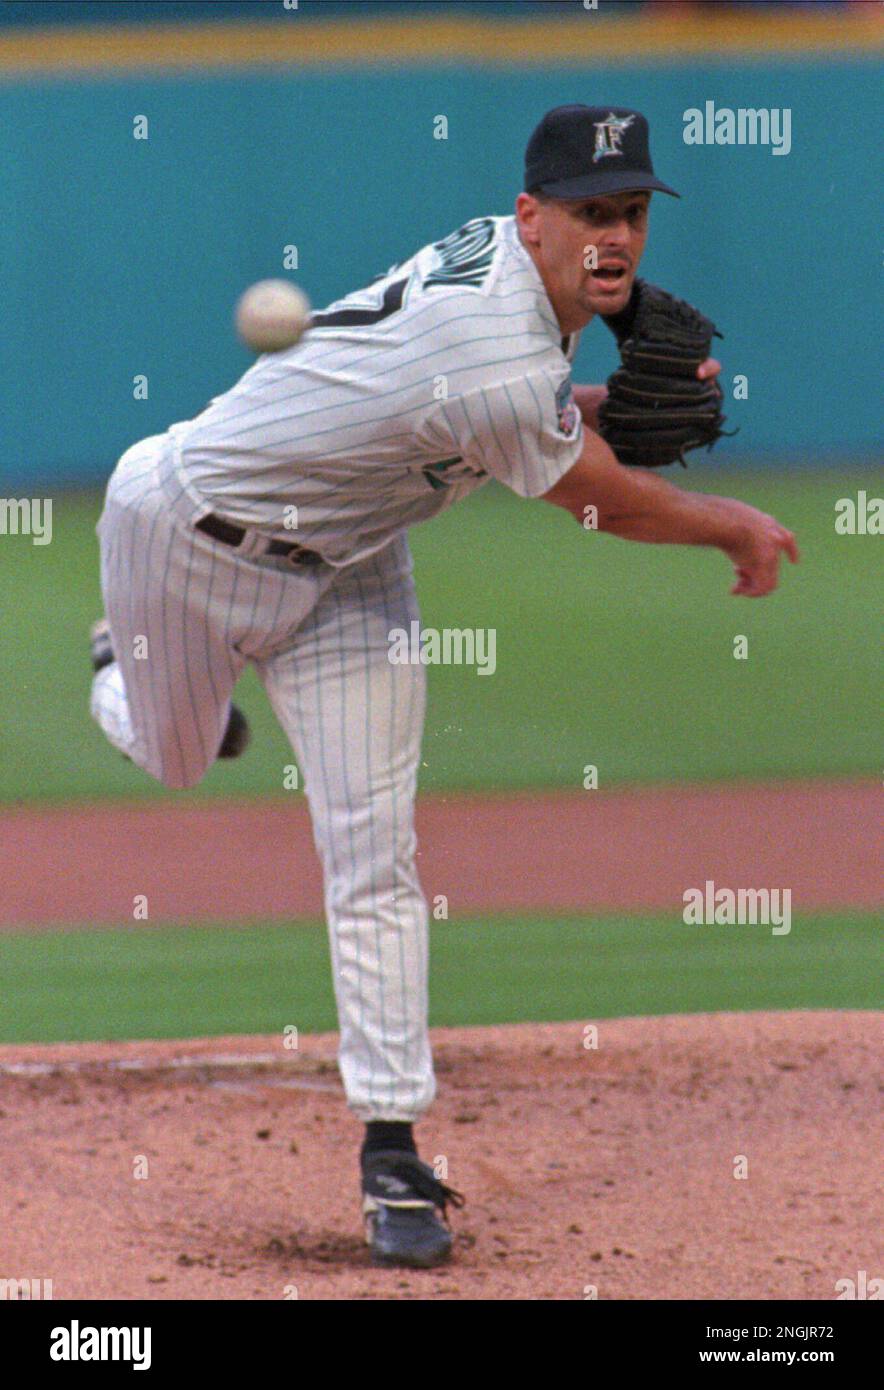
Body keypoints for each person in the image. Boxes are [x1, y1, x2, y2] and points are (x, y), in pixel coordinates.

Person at [90, 103, 797, 1269]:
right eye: (585, 213)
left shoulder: (515, 309)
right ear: (530, 216)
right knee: (172, 754)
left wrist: (598, 412)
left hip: (351, 565)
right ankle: (123, 664)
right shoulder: (496, 344)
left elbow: (493, 422)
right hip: (181, 535)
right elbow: (597, 499)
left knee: (374, 850)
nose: (609, 236)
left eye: (627, 213)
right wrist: (727, 523)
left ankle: (390, 1152)